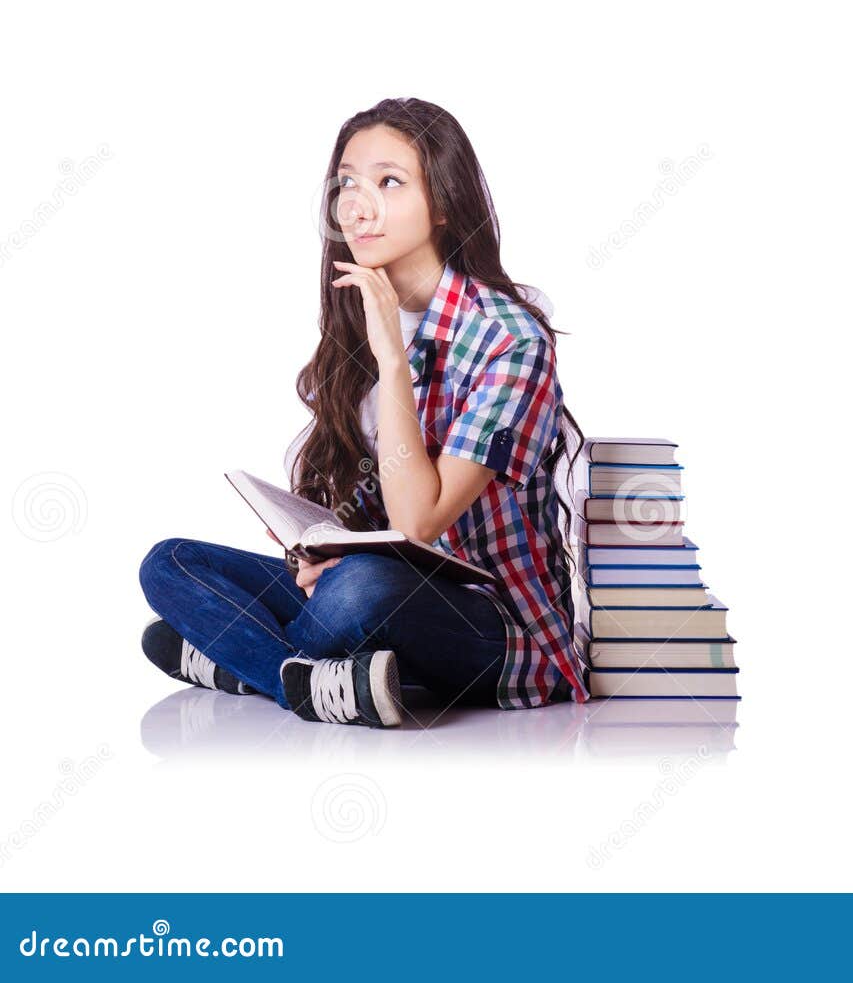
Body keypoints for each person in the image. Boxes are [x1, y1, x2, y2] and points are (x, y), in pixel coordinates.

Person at [138, 97, 588, 728]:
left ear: (445, 203)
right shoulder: (357, 326)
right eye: (346, 182)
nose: (357, 204)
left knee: (360, 591)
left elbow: (419, 518)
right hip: (391, 596)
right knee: (173, 564)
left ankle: (237, 660)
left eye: (389, 182)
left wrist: (393, 359)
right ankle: (301, 679)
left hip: (500, 628)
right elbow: (377, 520)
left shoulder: (509, 339)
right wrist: (316, 547)